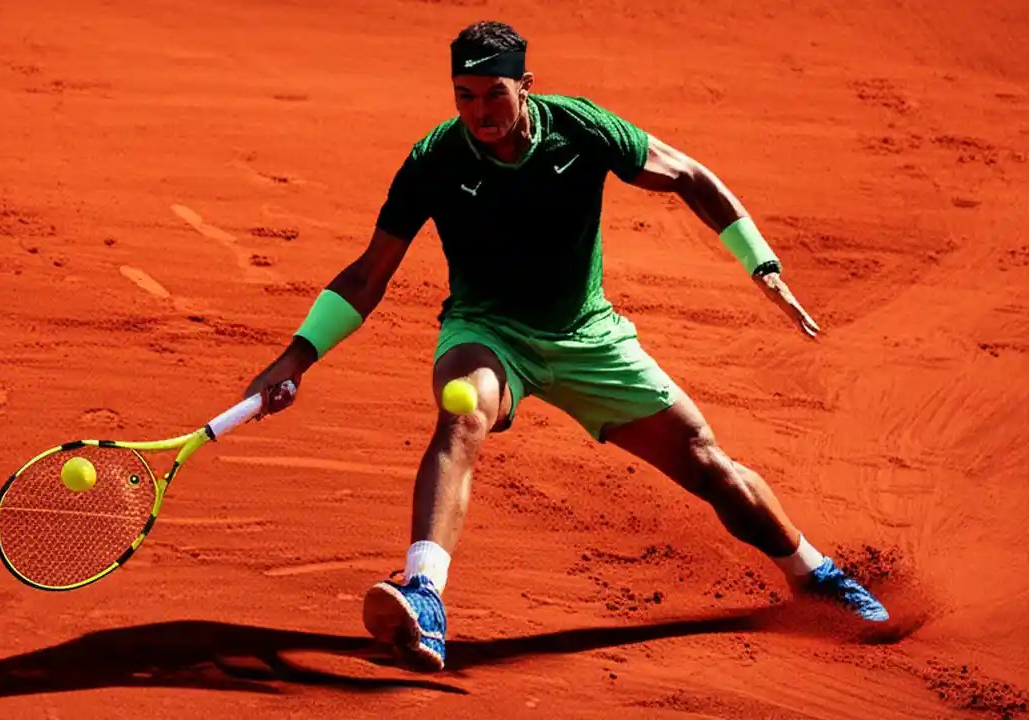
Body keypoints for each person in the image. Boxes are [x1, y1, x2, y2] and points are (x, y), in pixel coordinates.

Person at [244, 20, 888, 672]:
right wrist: (296, 357)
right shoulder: (435, 160)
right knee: (463, 412)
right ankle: (426, 595)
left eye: (494, 94)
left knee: (706, 462)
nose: (479, 113)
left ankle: (813, 575)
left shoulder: (580, 129)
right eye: (464, 97)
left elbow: (688, 175)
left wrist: (761, 264)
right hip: (487, 332)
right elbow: (367, 274)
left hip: (589, 336)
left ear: (526, 86)